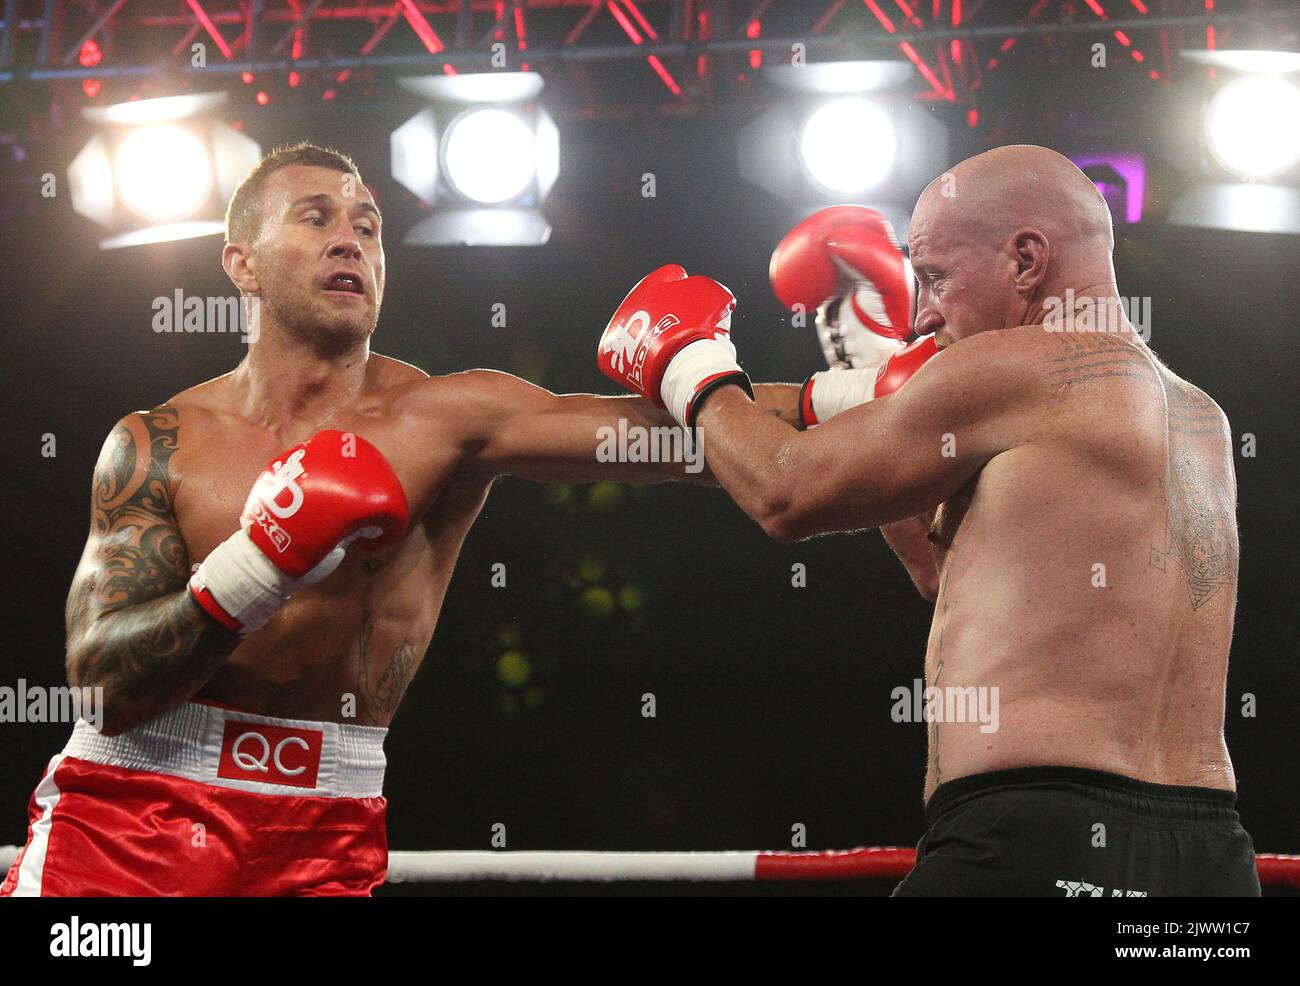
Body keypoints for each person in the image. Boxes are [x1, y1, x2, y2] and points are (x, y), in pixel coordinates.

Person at [2, 142, 802, 897]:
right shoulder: (157, 443)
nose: (350, 241)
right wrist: (259, 565)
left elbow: (682, 439)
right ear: (239, 263)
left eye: (368, 228)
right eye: (315, 218)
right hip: (124, 823)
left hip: (320, 827)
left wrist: (861, 394)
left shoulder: (446, 417)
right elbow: (103, 688)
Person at [597, 145, 1258, 896]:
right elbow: (943, 574)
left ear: (1027, 259)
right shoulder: (1200, 417)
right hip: (1209, 859)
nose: (921, 312)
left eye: (935, 276)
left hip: (1036, 841)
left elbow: (786, 494)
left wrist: (690, 365)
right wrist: (885, 382)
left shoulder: (1016, 366)